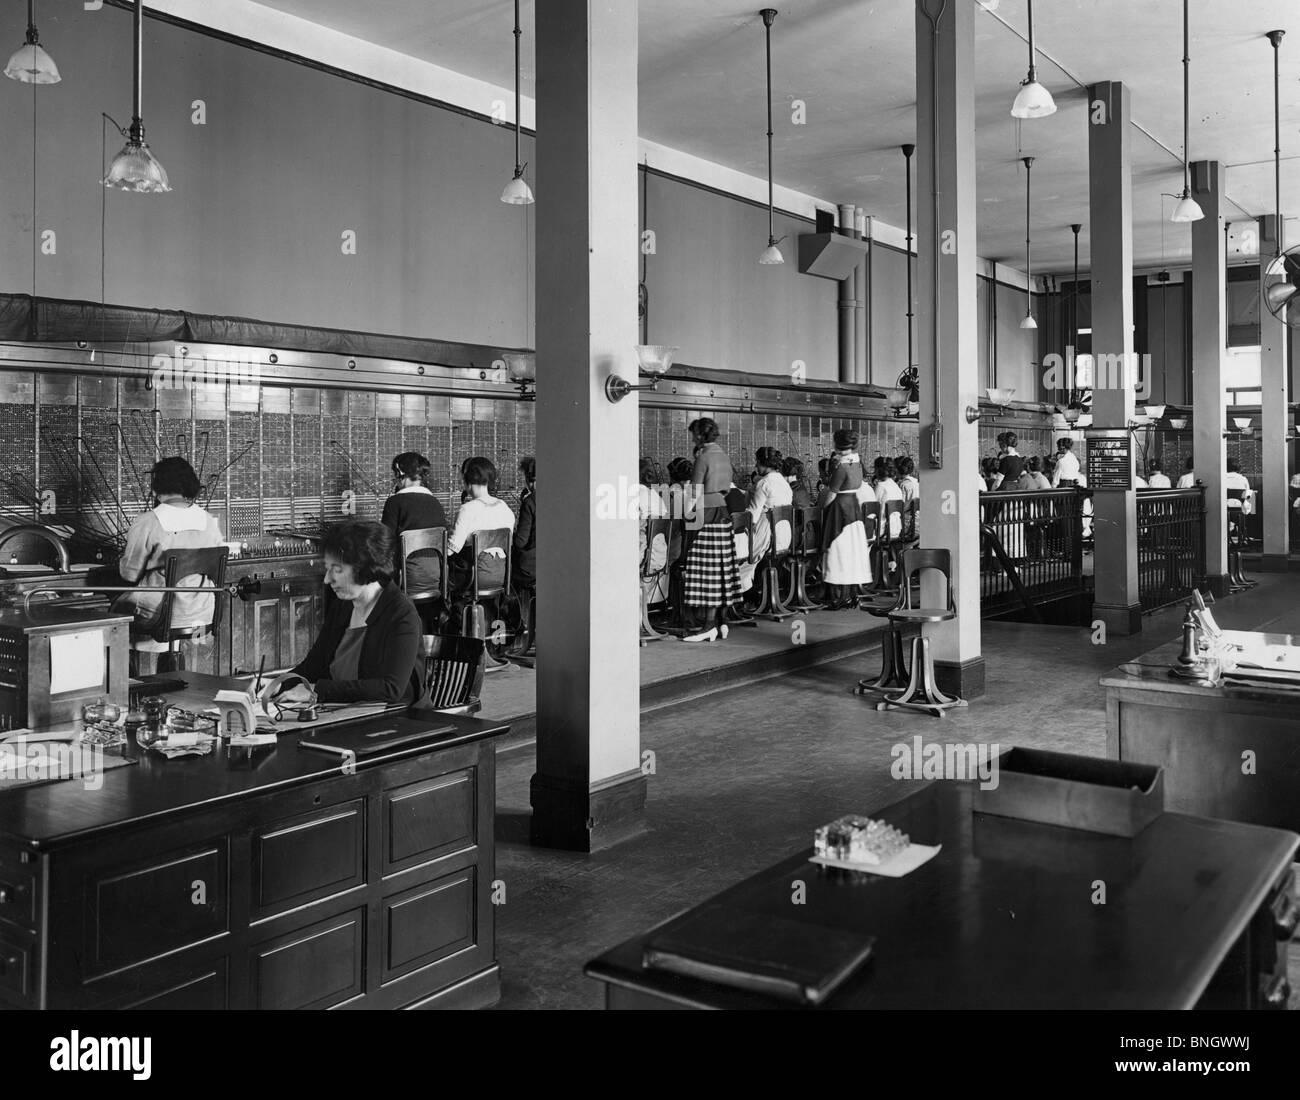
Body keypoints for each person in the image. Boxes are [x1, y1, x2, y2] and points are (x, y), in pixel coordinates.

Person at [275, 520, 421, 706]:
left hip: (397, 719)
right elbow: (313, 666)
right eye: (328, 570)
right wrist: (276, 684)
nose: (328, 579)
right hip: (344, 711)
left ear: (364, 568)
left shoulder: (401, 613)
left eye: (337, 570)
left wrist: (316, 690)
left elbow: (391, 689)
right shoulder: (342, 606)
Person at [115, 456, 225, 635]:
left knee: (109, 615)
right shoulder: (207, 519)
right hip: (203, 612)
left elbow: (129, 574)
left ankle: (129, 661)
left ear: (157, 486)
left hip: (160, 614)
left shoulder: (149, 521)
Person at [681, 417, 740, 642]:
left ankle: (707, 627)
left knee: (705, 571)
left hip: (705, 512)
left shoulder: (703, 458)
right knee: (722, 570)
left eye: (693, 434)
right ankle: (721, 623)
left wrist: (686, 514)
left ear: (699, 435)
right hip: (723, 513)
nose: (692, 438)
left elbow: (694, 493)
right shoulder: (723, 456)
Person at [447, 457, 516, 615]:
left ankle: (456, 625)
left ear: (467, 480)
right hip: (501, 576)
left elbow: (452, 549)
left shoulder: (468, 509)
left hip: (473, 578)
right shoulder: (504, 508)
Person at [381, 451, 447, 601]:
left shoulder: (394, 503)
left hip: (406, 578)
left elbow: (384, 544)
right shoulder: (435, 503)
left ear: (399, 473)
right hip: (436, 578)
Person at [818, 430, 872, 609]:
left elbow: (831, 494)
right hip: (853, 509)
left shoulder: (841, 467)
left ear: (837, 445)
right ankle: (850, 595)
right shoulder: (857, 463)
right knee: (850, 554)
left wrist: (821, 509)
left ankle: (837, 598)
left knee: (835, 553)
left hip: (839, 510)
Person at [740, 446, 793, 593]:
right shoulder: (784, 483)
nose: (756, 466)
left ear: (764, 463)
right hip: (784, 538)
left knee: (737, 555)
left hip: (768, 538)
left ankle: (741, 594)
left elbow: (752, 515)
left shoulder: (764, 483)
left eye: (757, 462)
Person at [512, 456, 536, 592]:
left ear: (528, 479)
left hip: (532, 567)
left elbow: (520, 542)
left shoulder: (530, 502)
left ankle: (519, 610)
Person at [873, 456, 905, 540]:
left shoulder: (880, 487)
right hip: (896, 530)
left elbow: (873, 511)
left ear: (878, 470)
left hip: (883, 532)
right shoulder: (896, 486)